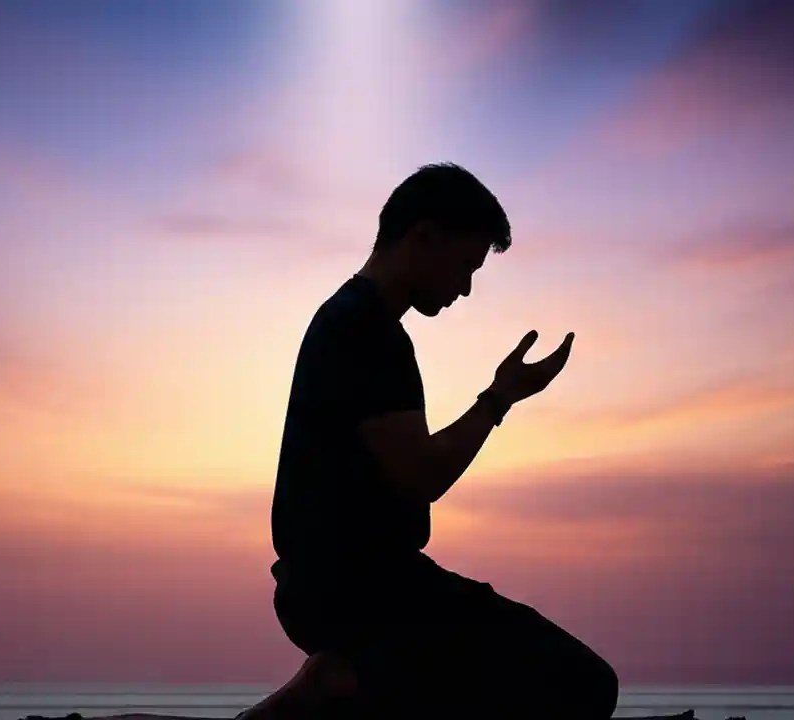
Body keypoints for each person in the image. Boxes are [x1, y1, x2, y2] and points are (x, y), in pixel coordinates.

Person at [238, 163, 618, 719]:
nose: (465, 289)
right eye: (466, 266)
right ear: (424, 237)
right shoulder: (366, 331)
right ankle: (337, 681)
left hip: (335, 588)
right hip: (363, 594)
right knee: (586, 685)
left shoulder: (349, 321)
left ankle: (359, 682)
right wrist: (497, 399)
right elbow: (423, 475)